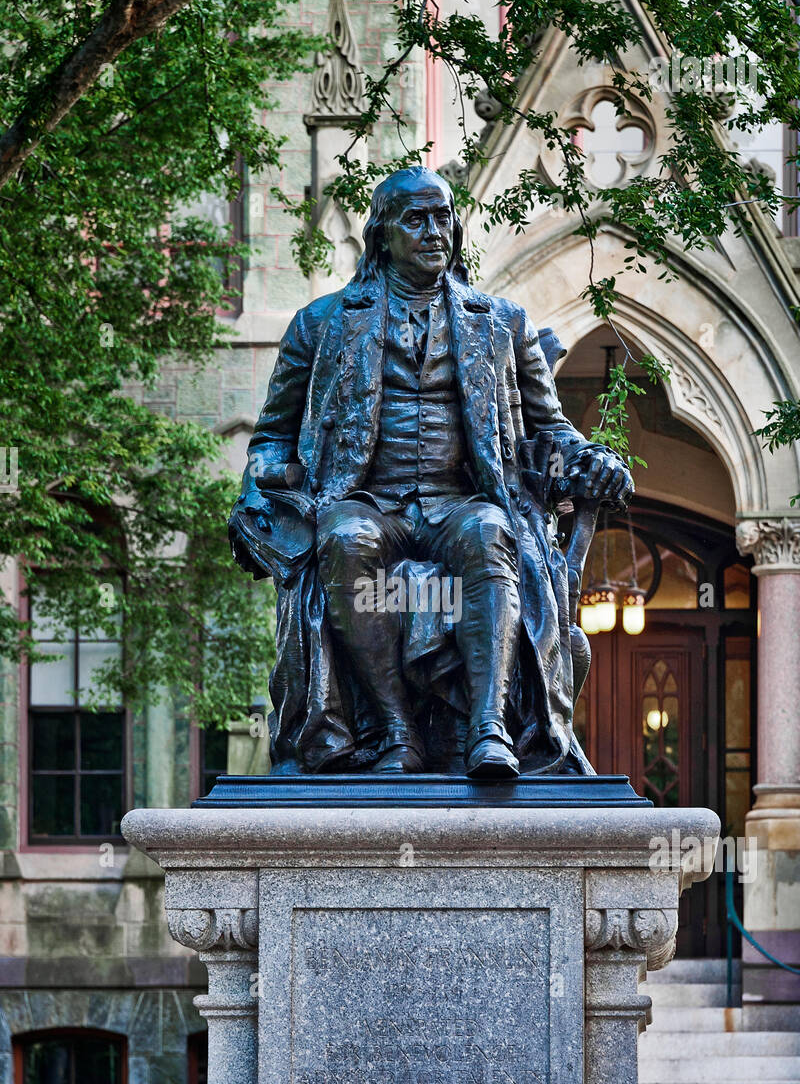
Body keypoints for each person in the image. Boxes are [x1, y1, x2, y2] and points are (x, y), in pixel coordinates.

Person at [229, 166, 632, 777]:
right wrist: (258, 494)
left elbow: (550, 432)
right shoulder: (323, 323)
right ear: (381, 234)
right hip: (368, 502)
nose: (433, 231)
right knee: (343, 537)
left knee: (490, 531)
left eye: (442, 218)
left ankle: (489, 730)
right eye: (415, 219)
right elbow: (272, 436)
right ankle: (394, 730)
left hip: (459, 504)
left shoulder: (501, 324)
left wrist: (592, 459)